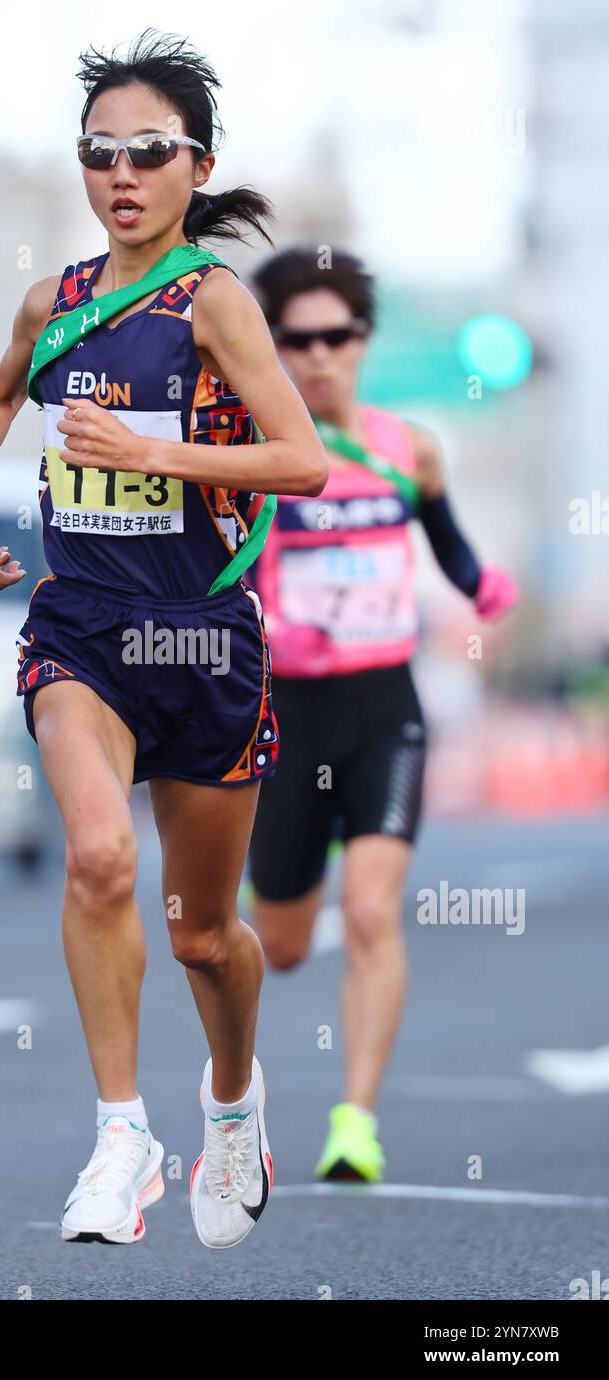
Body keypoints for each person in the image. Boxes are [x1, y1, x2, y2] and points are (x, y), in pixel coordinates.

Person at [0, 32, 326, 1247]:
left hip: (204, 638)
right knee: (99, 856)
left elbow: (301, 460)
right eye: (100, 154)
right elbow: (3, 392)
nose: (122, 174)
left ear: (194, 166)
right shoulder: (51, 302)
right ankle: (120, 1134)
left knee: (202, 931)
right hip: (83, 627)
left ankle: (229, 1102)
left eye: (149, 153)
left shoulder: (213, 303)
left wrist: (153, 451)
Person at [245, 246, 518, 1183]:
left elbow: (449, 544)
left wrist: (484, 588)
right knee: (279, 947)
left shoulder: (411, 447)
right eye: (297, 340)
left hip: (382, 709)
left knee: (370, 912)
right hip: (284, 716)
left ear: (363, 341)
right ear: (273, 348)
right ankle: (292, 859)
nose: (319, 356)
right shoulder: (253, 455)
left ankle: (354, 1119)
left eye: (338, 336)